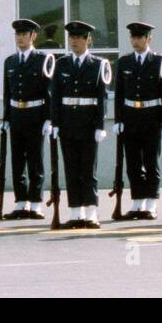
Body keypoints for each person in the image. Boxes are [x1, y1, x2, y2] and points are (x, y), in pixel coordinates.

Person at [50, 20, 109, 228]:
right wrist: (55, 122)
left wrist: (100, 125)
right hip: (67, 123)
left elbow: (102, 97)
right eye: (71, 38)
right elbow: (55, 96)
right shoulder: (61, 64)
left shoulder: (99, 65)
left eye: (78, 38)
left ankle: (91, 212)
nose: (74, 41)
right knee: (71, 169)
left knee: (88, 170)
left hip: (88, 123)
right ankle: (76, 212)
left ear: (88, 40)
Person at [113, 21, 162, 220]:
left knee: (151, 161)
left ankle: (152, 203)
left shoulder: (159, 61)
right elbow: (119, 93)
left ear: (148, 39)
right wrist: (118, 119)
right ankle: (137, 202)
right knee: (133, 163)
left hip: (152, 117)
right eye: (133, 37)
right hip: (130, 117)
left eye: (140, 37)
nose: (136, 41)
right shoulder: (124, 62)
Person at [0, 18, 50, 220]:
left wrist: (49, 119)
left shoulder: (43, 59)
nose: (20, 38)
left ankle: (36, 203)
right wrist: (5, 118)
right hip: (16, 115)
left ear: (33, 36)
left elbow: (49, 92)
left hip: (36, 115)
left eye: (24, 34)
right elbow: (7, 93)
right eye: (18, 35)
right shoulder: (10, 61)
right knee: (17, 161)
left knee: (35, 161)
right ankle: (21, 203)